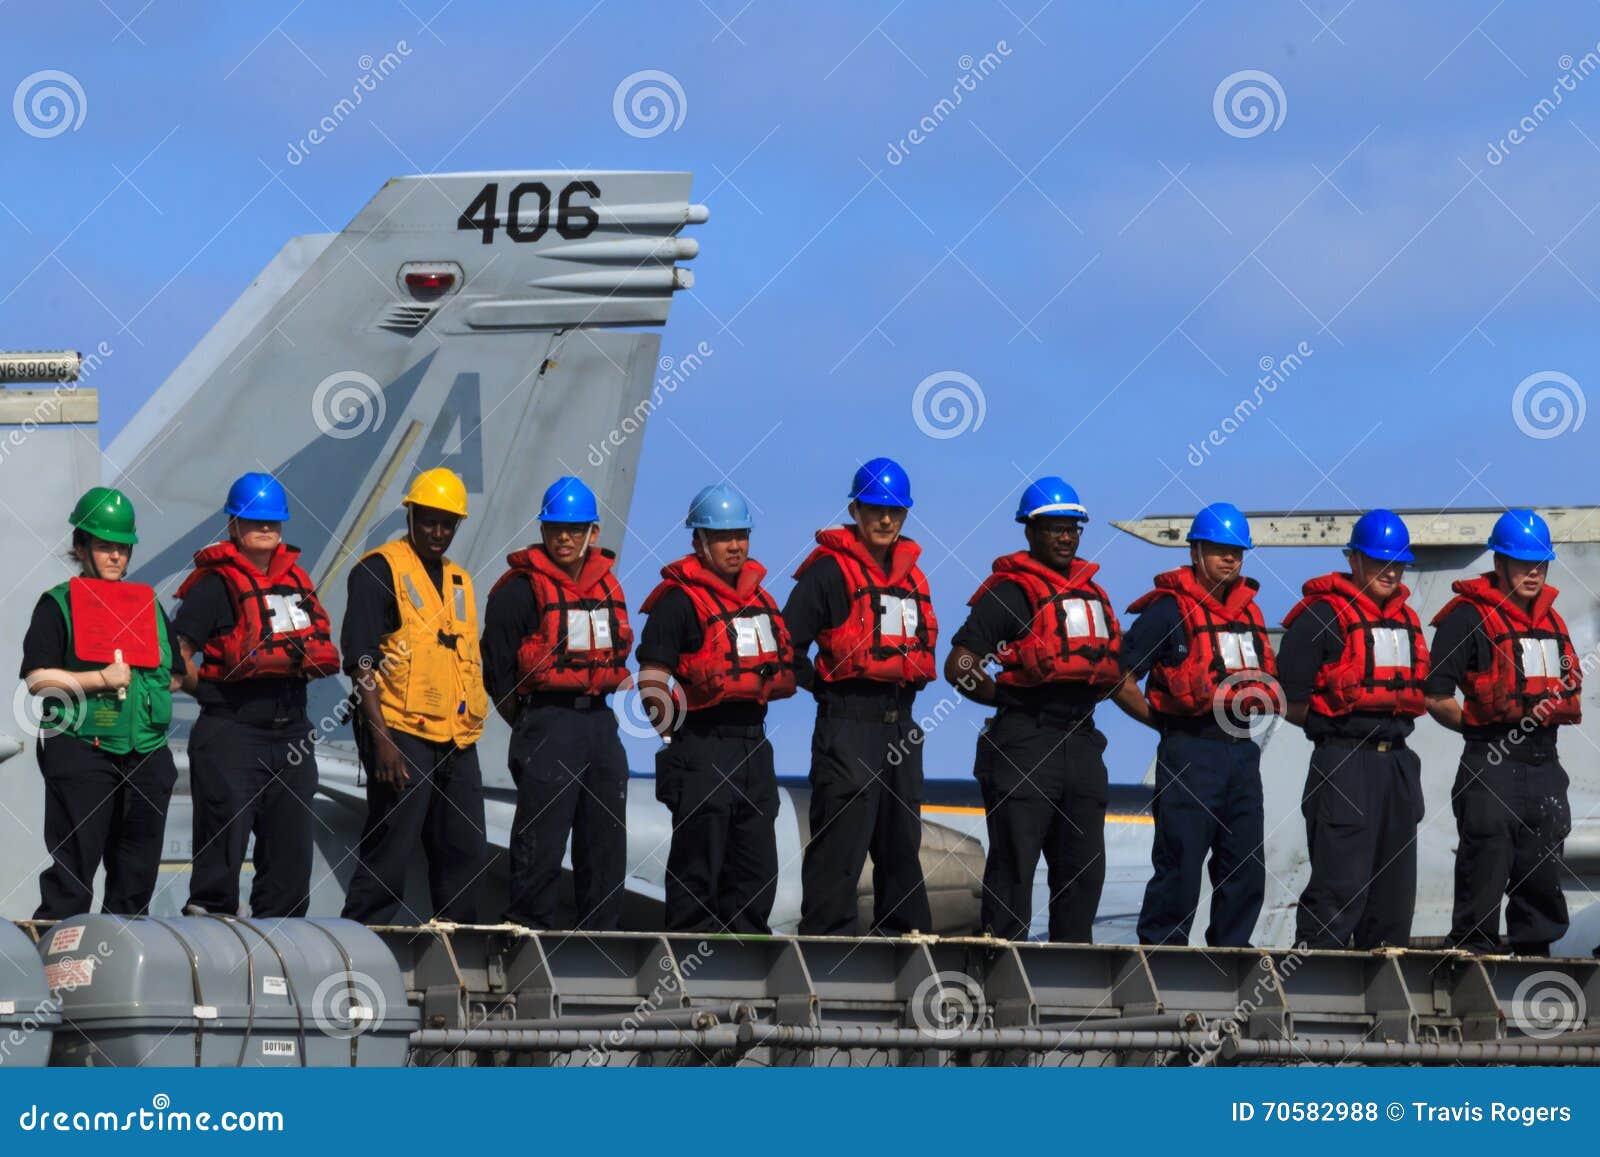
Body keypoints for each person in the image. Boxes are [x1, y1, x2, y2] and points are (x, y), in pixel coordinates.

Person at [945, 477, 1150, 942]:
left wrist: (1164, 724)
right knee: (1014, 867)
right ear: (1030, 531)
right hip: (1025, 743)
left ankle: (1072, 969)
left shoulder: (1094, 597)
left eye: (1072, 528)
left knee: (1083, 869)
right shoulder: (1009, 593)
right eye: (1055, 528)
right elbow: (959, 664)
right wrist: (1004, 698)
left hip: (1082, 743)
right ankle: (1001, 967)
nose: (1066, 537)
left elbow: (1116, 678)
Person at [173, 472, 341, 918]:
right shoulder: (213, 586)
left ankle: (280, 945)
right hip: (232, 732)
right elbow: (175, 659)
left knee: (290, 863)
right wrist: (210, 693)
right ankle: (210, 935)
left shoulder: (297, 583)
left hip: (293, 734)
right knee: (220, 862)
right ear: (234, 525)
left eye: (272, 520)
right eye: (253, 520)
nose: (264, 527)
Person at [784, 457, 937, 936]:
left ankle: (905, 941)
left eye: (895, 511)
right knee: (841, 843)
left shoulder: (913, 578)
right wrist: (826, 689)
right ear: (855, 510)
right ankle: (828, 944)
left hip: (902, 723)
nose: (885, 520)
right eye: (874, 509)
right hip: (847, 724)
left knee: (902, 842)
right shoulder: (827, 572)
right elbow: (788, 647)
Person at [637, 483, 797, 933]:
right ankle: (690, 952)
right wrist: (675, 739)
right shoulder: (677, 601)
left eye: (741, 535)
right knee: (698, 868)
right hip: (702, 745)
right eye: (723, 536)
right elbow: (653, 679)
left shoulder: (761, 601)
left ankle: (746, 953)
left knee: (756, 865)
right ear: (699, 541)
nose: (735, 546)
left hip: (754, 747)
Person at [20, 487, 183, 918]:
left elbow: (176, 675)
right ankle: (56, 951)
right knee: (72, 878)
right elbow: (37, 678)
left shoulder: (148, 605)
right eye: (104, 546)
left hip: (146, 753)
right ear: (81, 548)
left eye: (122, 548)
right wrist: (100, 679)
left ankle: (120, 955)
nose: (115, 556)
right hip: (82, 748)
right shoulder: (57, 604)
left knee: (136, 879)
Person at [1121, 502, 1276, 947]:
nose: (1230, 558)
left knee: (1244, 864)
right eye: (1219, 550)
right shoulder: (1168, 610)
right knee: (1180, 861)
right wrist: (1161, 724)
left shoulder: (1249, 613)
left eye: (1237, 551)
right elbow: (1119, 677)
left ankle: (1232, 956)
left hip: (1241, 751)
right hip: (1189, 751)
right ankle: (1162, 956)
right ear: (1195, 552)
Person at [339, 468, 489, 924]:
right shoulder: (378, 571)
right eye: (428, 521)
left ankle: (458, 942)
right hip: (401, 733)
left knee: (465, 848)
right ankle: (364, 934)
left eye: (447, 524)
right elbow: (361, 663)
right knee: (392, 844)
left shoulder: (460, 581)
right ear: (411, 517)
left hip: (457, 738)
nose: (437, 532)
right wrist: (382, 741)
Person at [481, 476, 631, 930]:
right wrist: (532, 723)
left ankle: (602, 937)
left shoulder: (608, 587)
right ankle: (528, 929)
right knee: (541, 839)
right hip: (547, 723)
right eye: (555, 528)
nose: (564, 538)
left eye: (574, 529)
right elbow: (497, 673)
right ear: (543, 529)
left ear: (593, 533)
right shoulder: (517, 590)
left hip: (601, 724)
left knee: (605, 840)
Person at [1425, 509, 1577, 957]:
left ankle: (1536, 962)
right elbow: (1435, 696)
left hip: (1545, 764)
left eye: (1540, 564)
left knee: (1542, 872)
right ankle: (1472, 958)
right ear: (1499, 562)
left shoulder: (1552, 622)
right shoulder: (1465, 618)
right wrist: (1480, 732)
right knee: (1485, 866)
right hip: (1491, 763)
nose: (1533, 573)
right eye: (1522, 563)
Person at [1279, 509, 1430, 949]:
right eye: (1380, 561)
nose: (1390, 572)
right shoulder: (1319, 617)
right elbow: (1289, 699)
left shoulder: (1407, 622)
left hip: (1397, 765)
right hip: (1344, 762)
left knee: (1394, 897)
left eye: (1398, 563)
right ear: (1354, 559)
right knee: (1338, 888)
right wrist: (1334, 730)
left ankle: (1384, 980)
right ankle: (1315, 977)